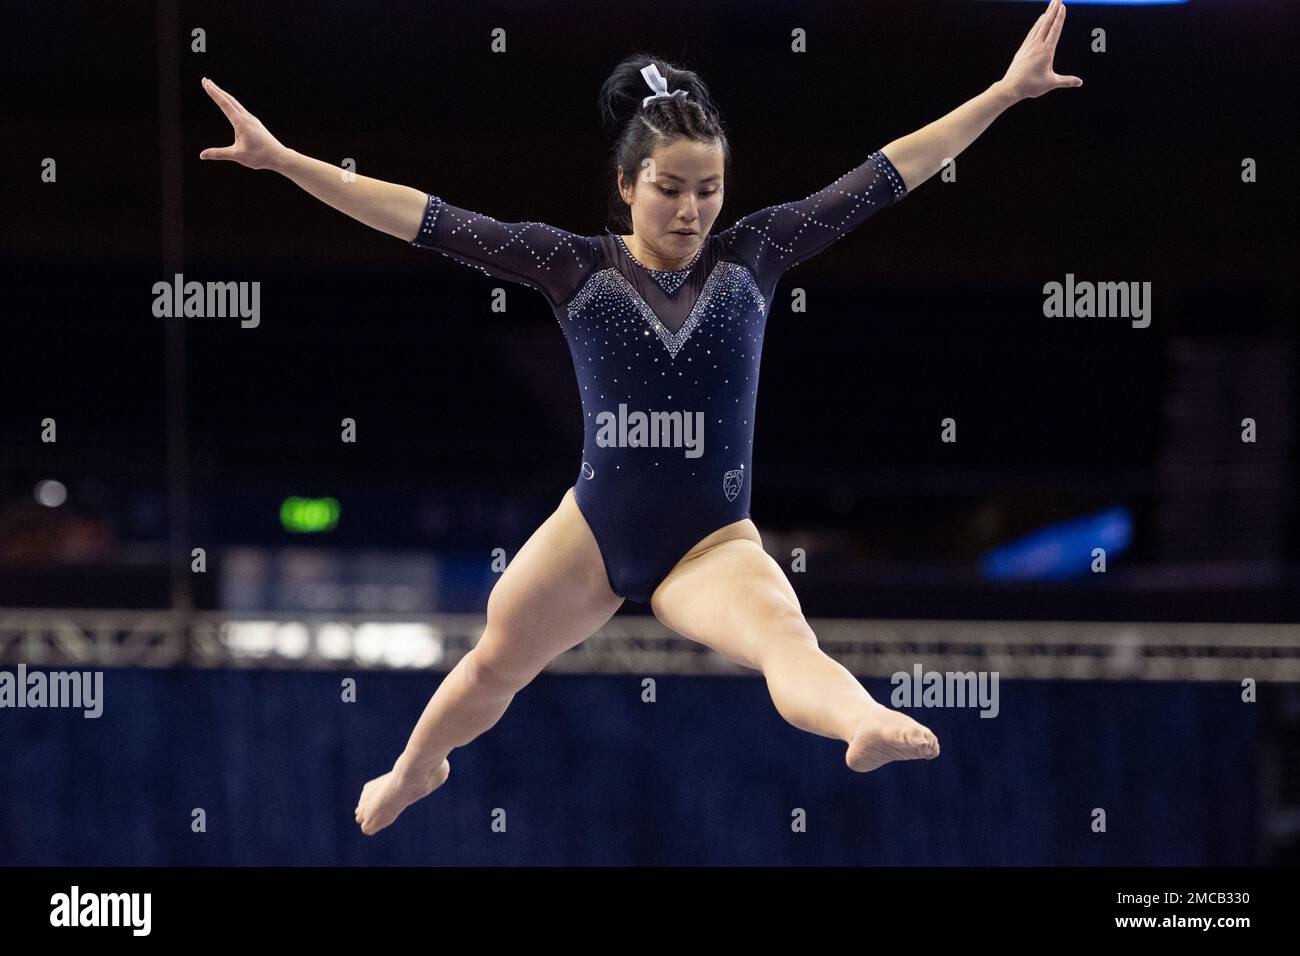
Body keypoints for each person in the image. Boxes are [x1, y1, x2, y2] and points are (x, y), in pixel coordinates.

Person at [200, 0, 1082, 836]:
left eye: (709, 189)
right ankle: (415, 765)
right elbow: (420, 218)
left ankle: (865, 720)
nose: (692, 210)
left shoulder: (758, 251)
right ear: (626, 185)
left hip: (711, 543)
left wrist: (1002, 93)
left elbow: (890, 172)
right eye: (669, 189)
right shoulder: (572, 265)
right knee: (492, 666)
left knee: (784, 638)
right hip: (590, 531)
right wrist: (285, 161)